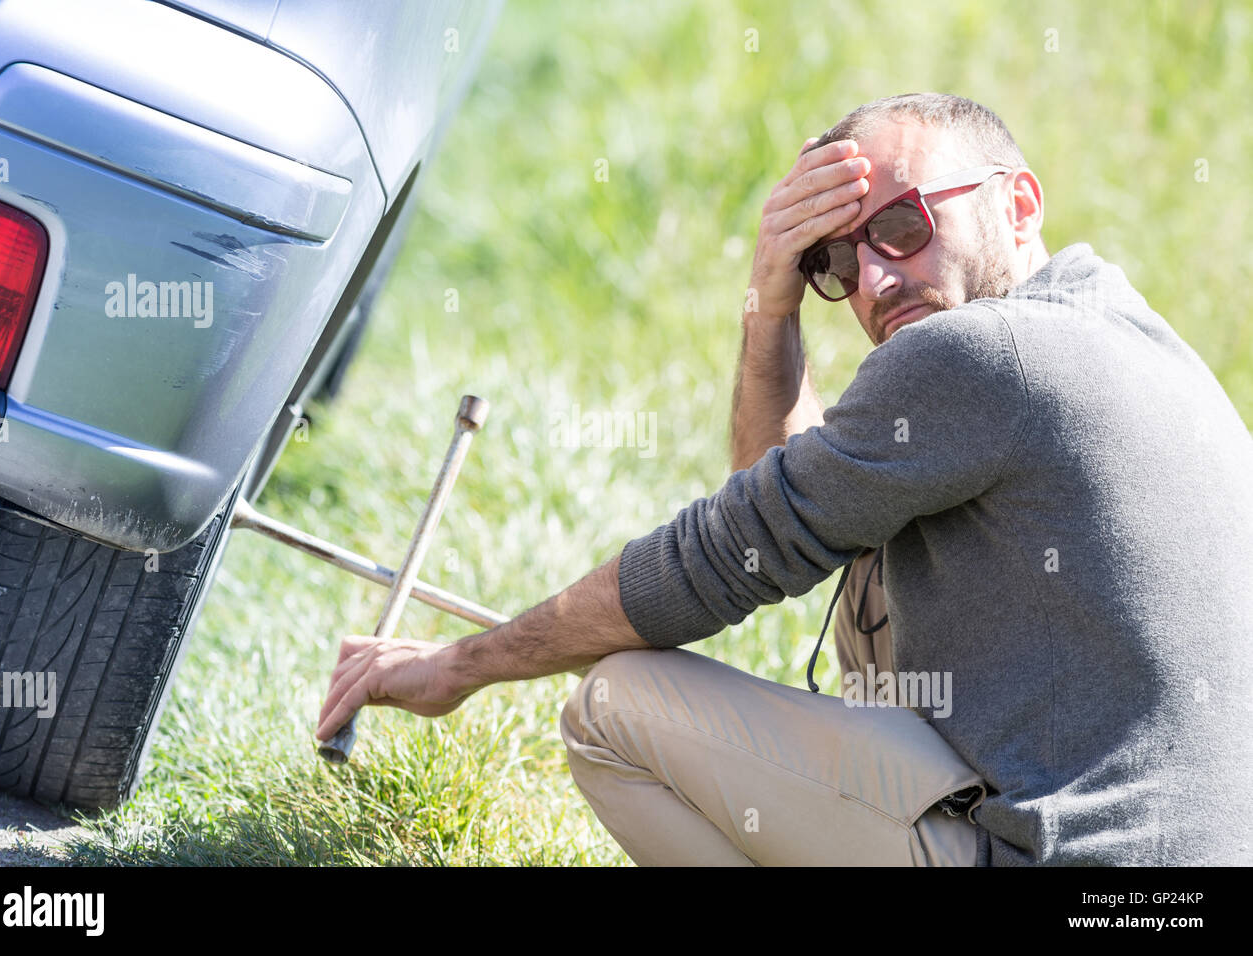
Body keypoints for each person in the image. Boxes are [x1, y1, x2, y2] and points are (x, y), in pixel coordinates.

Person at [316, 93, 1253, 866]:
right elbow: (781, 507)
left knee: (612, 707)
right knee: (867, 584)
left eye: (901, 225)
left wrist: (456, 667)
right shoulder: (1129, 336)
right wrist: (774, 309)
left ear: (1019, 204)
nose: (877, 281)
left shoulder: (982, 356)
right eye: (836, 261)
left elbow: (721, 560)